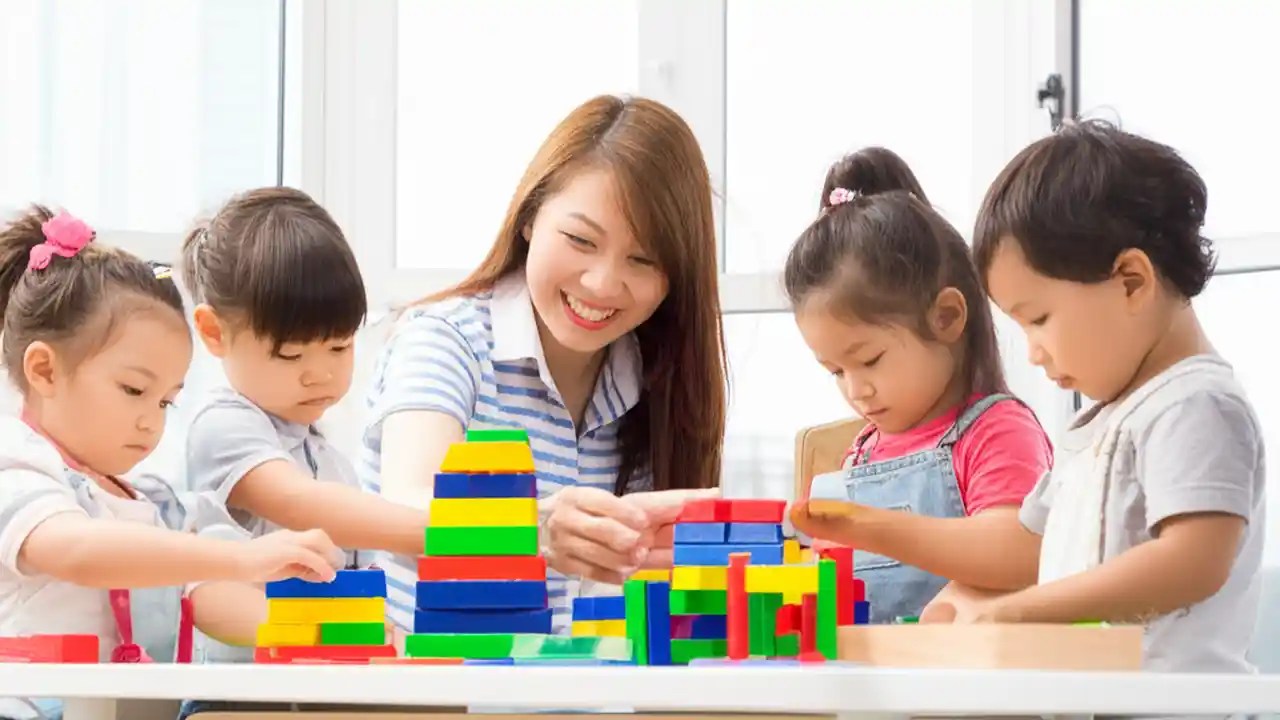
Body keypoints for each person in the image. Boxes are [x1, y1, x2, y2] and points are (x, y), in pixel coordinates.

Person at [359, 95, 726, 634]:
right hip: (431, 693)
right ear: (530, 217)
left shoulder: (653, 382)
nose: (601, 283)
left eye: (643, 260)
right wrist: (537, 528)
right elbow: (406, 503)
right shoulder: (446, 339)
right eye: (580, 240)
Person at [934, 119, 1264, 678]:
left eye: (1038, 319)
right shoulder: (1104, 423)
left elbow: (1193, 562)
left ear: (1131, 280)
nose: (1033, 353)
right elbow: (1023, 544)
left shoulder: (1195, 404)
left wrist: (1019, 614)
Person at [0, 206, 340, 720]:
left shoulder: (144, 504)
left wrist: (328, 635)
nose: (150, 422)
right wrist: (242, 558)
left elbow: (204, 597)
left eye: (165, 402)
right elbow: (76, 551)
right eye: (134, 390)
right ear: (45, 369)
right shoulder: (18, 467)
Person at [786, 147, 1053, 624]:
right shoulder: (862, 450)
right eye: (835, 371)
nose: (856, 389)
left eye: (869, 360)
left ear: (946, 318)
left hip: (961, 689)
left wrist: (873, 527)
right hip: (865, 682)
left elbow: (1019, 550)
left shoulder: (995, 431)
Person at [176, 187, 427, 658]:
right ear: (214, 332)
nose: (322, 373)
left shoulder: (331, 460)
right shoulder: (222, 427)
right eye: (290, 353)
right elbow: (299, 504)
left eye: (340, 346)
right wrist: (444, 533)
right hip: (239, 700)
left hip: (317, 691)